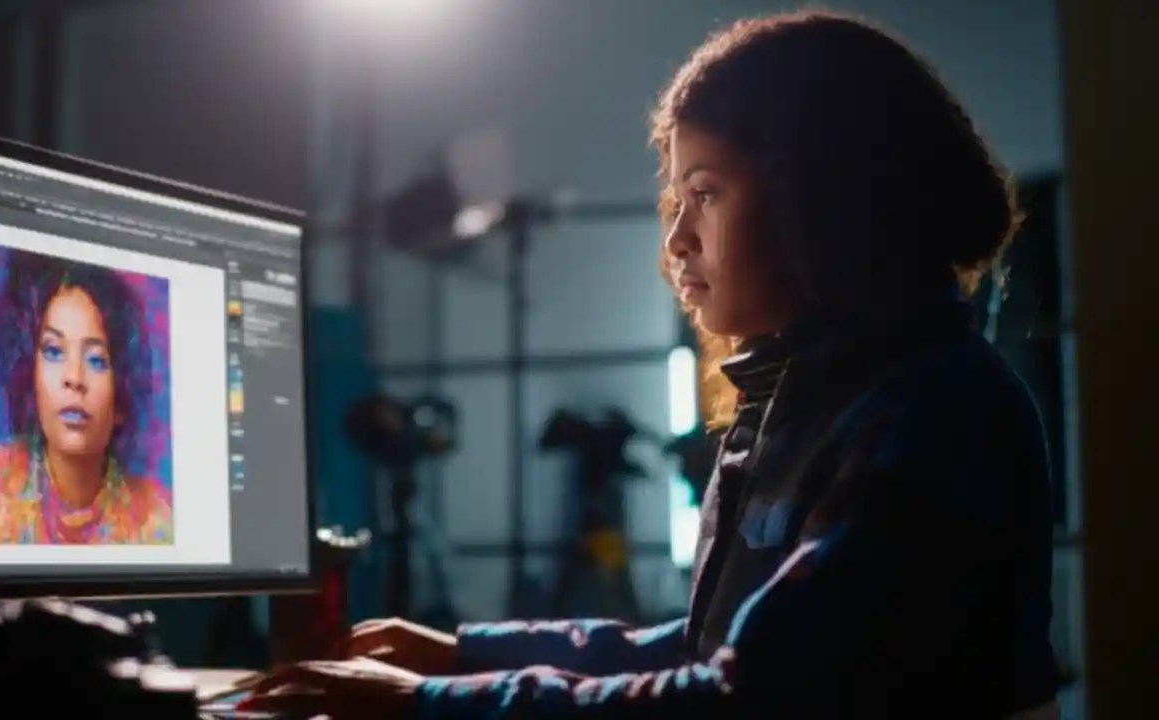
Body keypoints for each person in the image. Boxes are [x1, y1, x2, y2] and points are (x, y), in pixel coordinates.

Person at [247, 11, 1061, 718]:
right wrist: (462, 657)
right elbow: (705, 645)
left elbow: (748, 697)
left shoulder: (934, 412)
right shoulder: (815, 398)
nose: (676, 241)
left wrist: (432, 706)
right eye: (678, 202)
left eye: (704, 194)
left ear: (823, 197)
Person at [0, 249, 173, 545]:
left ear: (121, 390)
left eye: (96, 360)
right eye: (54, 352)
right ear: (29, 371)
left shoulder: (156, 523)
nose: (74, 378)